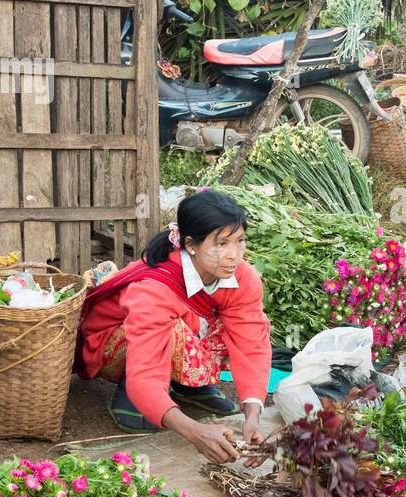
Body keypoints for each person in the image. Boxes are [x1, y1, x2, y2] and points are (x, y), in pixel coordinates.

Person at [75, 190, 272, 463]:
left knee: (249, 326)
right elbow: (144, 370)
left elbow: (251, 344)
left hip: (175, 334)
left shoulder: (241, 279)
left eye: (239, 241)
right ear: (191, 245)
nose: (234, 255)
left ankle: (188, 386)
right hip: (111, 345)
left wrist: (252, 416)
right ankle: (132, 399)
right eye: (221, 244)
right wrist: (194, 432)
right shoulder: (153, 289)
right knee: (173, 330)